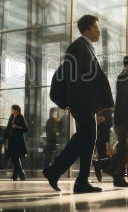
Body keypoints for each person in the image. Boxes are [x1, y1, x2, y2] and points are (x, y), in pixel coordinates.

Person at [43, 15, 114, 193]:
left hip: (84, 103)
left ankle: (67, 175)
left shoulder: (86, 48)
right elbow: (74, 80)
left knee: (86, 138)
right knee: (87, 136)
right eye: (97, 28)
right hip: (80, 102)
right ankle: (65, 174)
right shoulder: (78, 47)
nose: (99, 31)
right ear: (88, 29)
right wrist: (82, 104)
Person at [104, 55, 128, 187]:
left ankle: (118, 177)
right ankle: (111, 166)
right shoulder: (124, 75)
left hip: (124, 117)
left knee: (122, 148)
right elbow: (121, 99)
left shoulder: (126, 75)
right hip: (125, 118)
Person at [4, 105, 28, 181]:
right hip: (11, 140)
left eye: (13, 109)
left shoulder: (21, 117)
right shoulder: (11, 116)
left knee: (15, 157)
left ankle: (17, 175)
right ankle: (21, 174)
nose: (12, 111)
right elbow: (8, 127)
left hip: (18, 140)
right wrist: (5, 137)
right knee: (14, 158)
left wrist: (17, 126)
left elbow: (25, 128)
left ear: (17, 110)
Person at [92, 110, 111, 182]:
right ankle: (98, 166)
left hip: (102, 137)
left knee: (103, 157)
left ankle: (98, 166)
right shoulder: (103, 110)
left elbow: (109, 123)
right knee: (103, 156)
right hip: (100, 138)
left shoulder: (106, 112)